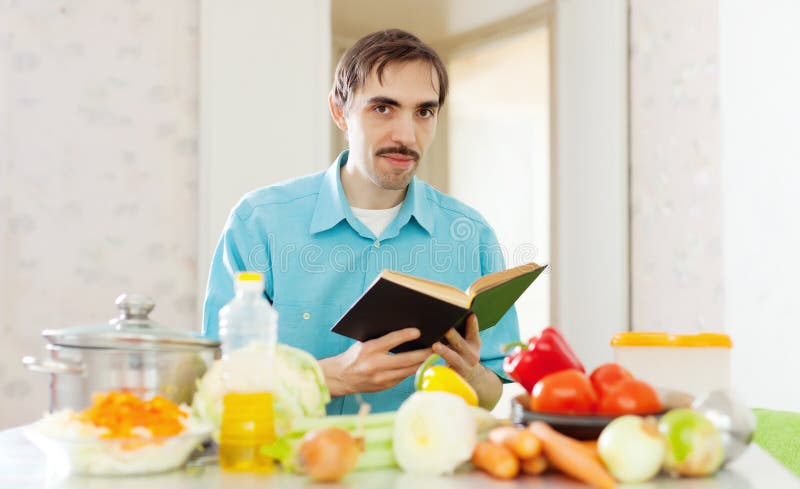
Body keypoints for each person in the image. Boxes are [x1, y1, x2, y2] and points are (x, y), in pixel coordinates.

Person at [203, 29, 520, 414]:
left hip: (419, 470)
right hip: (288, 467)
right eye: (383, 108)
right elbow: (218, 379)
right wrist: (335, 376)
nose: (406, 135)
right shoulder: (259, 222)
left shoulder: (471, 234)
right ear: (340, 111)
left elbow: (491, 392)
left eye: (424, 111)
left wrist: (471, 376)